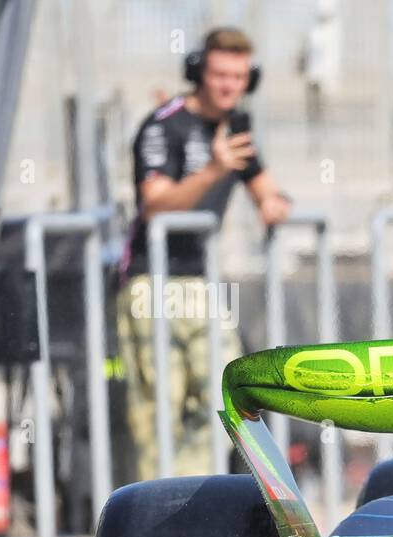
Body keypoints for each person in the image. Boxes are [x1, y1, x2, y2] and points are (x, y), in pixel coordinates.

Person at [116, 26, 291, 482]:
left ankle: (199, 501)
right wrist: (213, 169)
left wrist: (274, 204)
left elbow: (266, 190)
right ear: (199, 72)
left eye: (239, 76)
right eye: (220, 74)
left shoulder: (237, 126)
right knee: (161, 407)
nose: (230, 85)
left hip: (203, 282)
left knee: (220, 396)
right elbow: (154, 203)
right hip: (150, 282)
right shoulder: (163, 123)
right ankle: (159, 512)